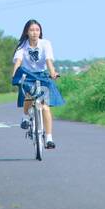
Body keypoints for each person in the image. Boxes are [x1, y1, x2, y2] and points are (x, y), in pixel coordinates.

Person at [11, 19, 64, 149]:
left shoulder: (45, 44)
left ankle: (49, 138)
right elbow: (18, 61)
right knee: (28, 95)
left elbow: (48, 60)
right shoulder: (22, 46)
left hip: (41, 75)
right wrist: (14, 74)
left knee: (45, 107)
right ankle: (25, 116)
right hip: (27, 75)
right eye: (31, 30)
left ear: (40, 32)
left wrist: (52, 73)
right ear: (27, 32)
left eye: (37, 30)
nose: (34, 33)